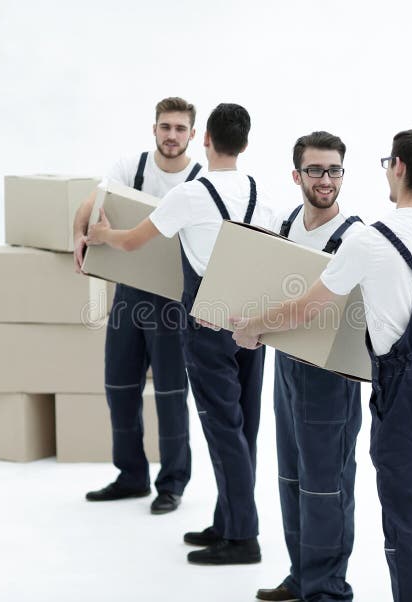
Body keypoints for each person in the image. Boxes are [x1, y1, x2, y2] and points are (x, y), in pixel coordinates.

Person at [232, 128, 412, 602]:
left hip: (400, 381)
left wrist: (252, 327)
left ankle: (327, 588)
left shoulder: (368, 241)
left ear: (400, 168)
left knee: (403, 521)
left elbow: (306, 308)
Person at [85, 103, 277, 565]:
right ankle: (228, 520)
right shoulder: (260, 195)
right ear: (246, 145)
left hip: (207, 326)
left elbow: (133, 242)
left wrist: (105, 236)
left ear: (205, 138)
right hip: (250, 326)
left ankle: (243, 539)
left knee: (222, 428)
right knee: (243, 428)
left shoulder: (191, 194)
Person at [73, 97, 203, 515]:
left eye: (180, 129)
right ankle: (131, 476)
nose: (172, 136)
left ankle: (172, 483)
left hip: (172, 303)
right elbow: (90, 204)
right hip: (129, 295)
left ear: (193, 135)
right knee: (119, 386)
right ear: (154, 129)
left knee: (169, 393)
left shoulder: (199, 181)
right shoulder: (132, 168)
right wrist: (78, 234)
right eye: (165, 127)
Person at [256, 131, 365, 602]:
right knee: (292, 476)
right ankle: (301, 578)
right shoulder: (286, 224)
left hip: (330, 377)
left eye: (335, 170)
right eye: (317, 170)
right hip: (288, 366)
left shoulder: (356, 237)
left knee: (327, 486)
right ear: (297, 174)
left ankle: (328, 591)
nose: (327, 179)